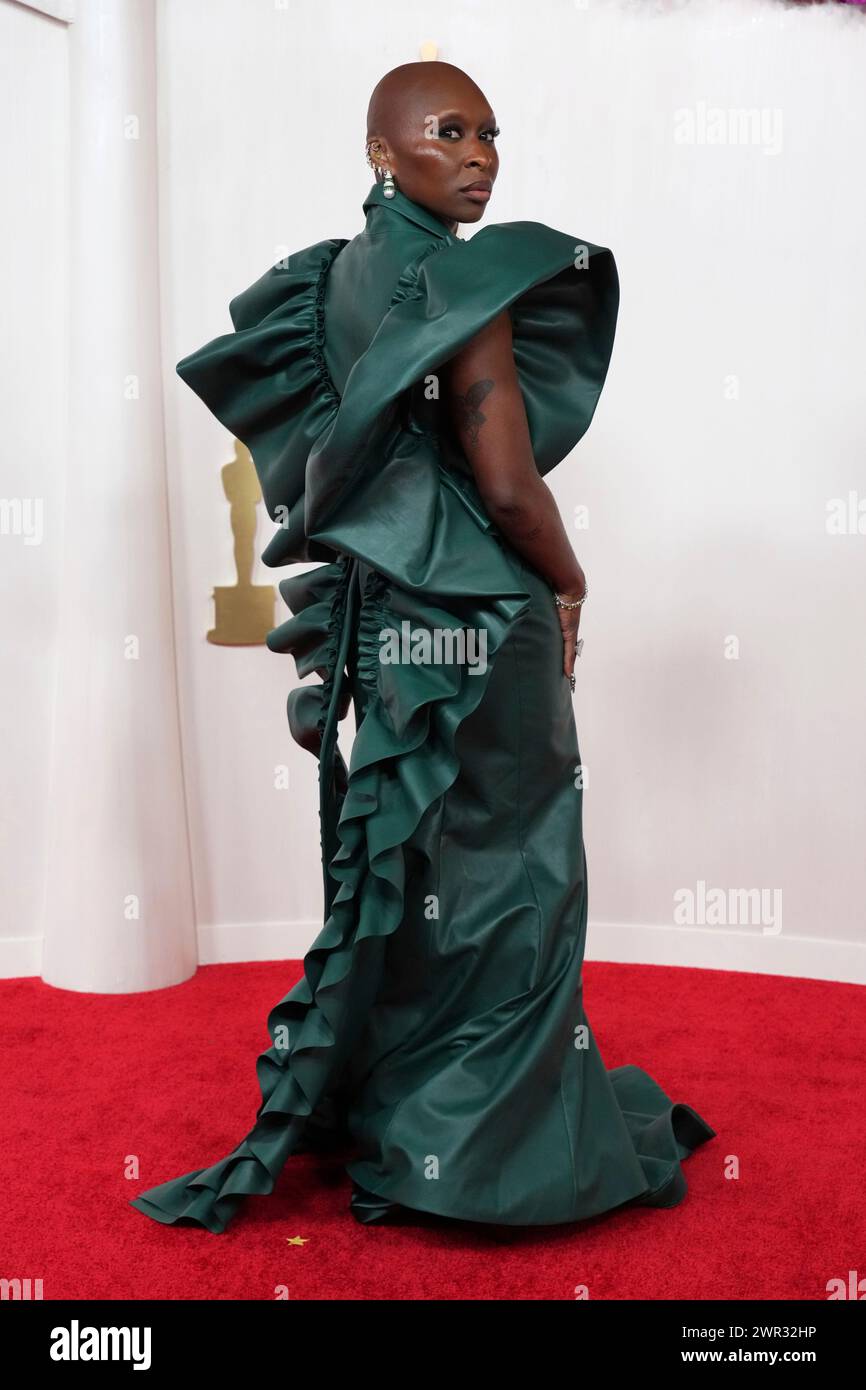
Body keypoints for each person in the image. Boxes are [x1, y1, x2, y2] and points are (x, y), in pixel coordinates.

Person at [129, 61, 715, 1235]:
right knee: (520, 877)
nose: (480, 155)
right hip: (485, 621)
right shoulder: (461, 280)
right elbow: (503, 482)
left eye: (491, 133)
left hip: (397, 618)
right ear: (383, 151)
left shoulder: (330, 282)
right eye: (448, 131)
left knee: (440, 872)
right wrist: (569, 573)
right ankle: (497, 1152)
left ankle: (417, 1123)